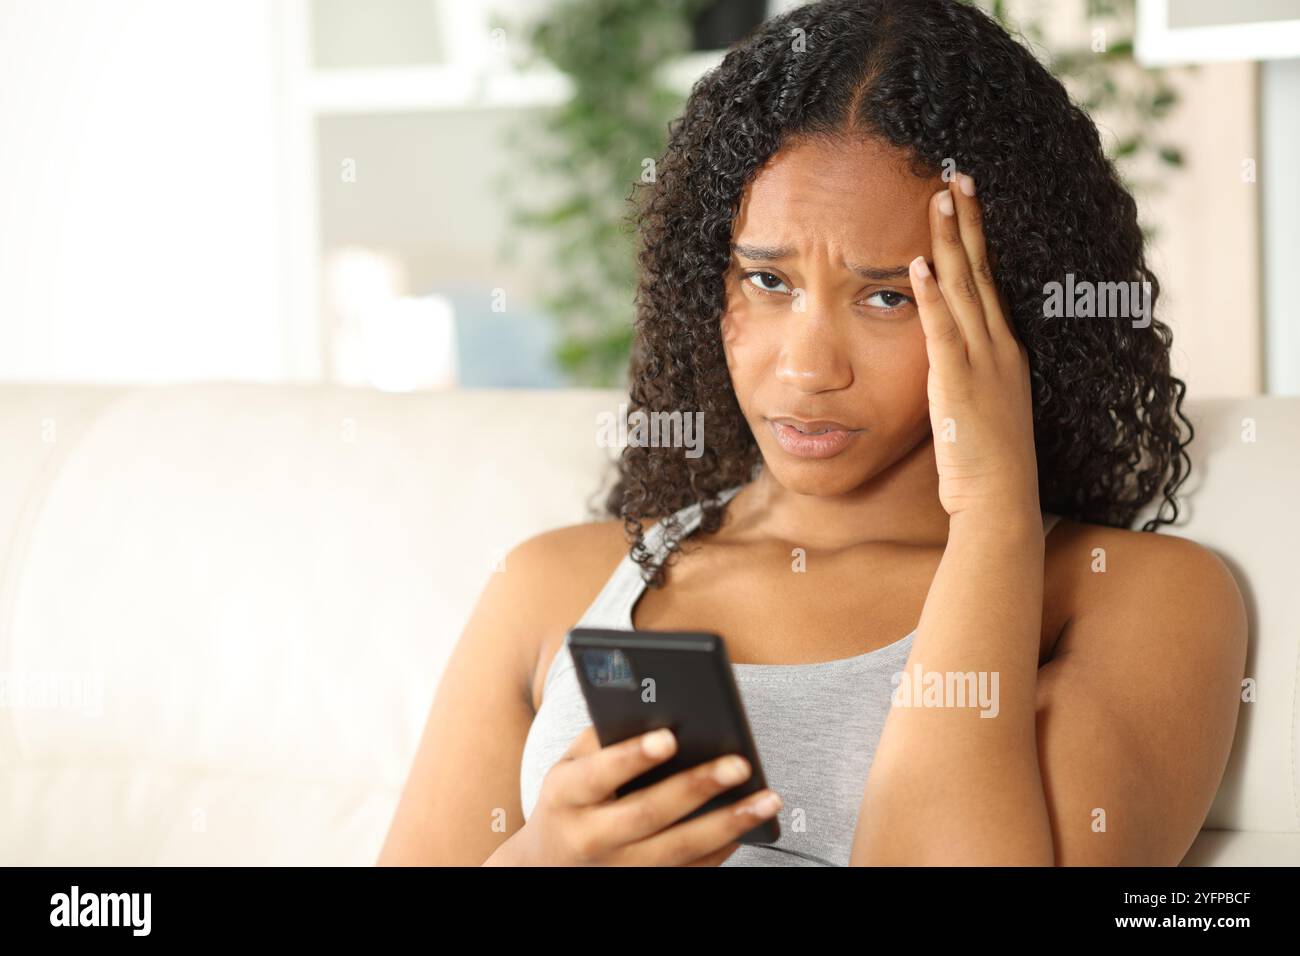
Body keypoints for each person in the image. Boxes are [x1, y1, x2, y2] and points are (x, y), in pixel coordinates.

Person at [378, 0, 1246, 867]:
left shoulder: (1138, 601)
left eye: (886, 297)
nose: (807, 367)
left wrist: (993, 518)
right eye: (766, 279)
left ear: (1008, 310)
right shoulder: (550, 586)